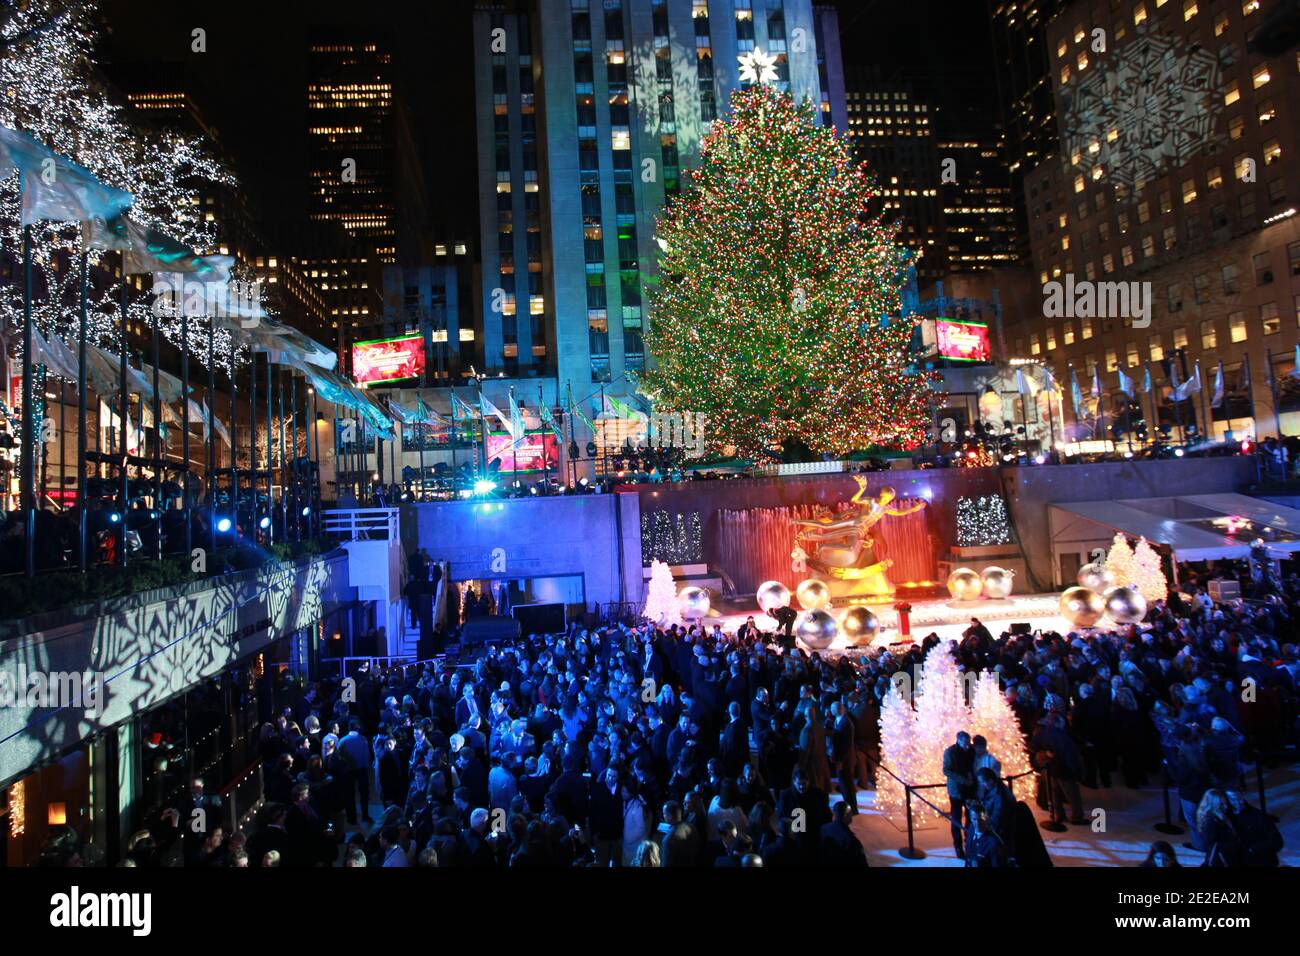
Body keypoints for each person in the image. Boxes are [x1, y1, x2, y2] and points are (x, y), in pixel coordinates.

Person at [942, 731, 976, 859]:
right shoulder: (950, 752)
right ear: (959, 741)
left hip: (969, 790)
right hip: (956, 790)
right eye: (965, 744)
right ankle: (958, 845)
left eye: (969, 744)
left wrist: (971, 779)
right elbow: (946, 770)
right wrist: (963, 779)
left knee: (970, 816)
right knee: (956, 818)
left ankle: (969, 842)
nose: (967, 746)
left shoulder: (971, 751)